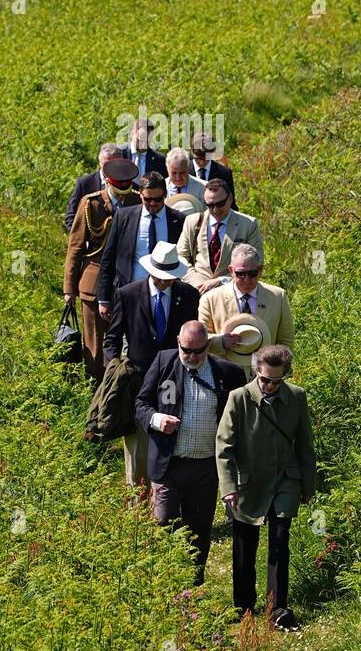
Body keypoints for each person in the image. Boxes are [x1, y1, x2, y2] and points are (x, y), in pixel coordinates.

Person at [136, 321, 246, 583]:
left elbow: (240, 421)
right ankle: (163, 582)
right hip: (169, 463)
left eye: (199, 351)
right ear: (178, 342)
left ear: (208, 345)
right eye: (187, 350)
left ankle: (193, 587)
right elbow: (141, 403)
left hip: (206, 467)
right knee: (163, 523)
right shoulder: (164, 363)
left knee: (198, 530)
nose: (192, 356)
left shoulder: (228, 373)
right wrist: (156, 420)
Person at [216, 344, 316, 631]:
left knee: (280, 542)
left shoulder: (297, 397)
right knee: (245, 546)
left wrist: (307, 486)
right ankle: (244, 605)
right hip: (248, 482)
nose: (270, 386)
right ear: (255, 372)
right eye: (264, 380)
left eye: (276, 381)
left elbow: (305, 444)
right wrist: (228, 487)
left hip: (285, 479)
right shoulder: (238, 398)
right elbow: (224, 446)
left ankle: (277, 607)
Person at [103, 243, 200, 488]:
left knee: (173, 435)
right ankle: (138, 501)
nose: (164, 282)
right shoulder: (128, 294)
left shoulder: (188, 296)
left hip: (174, 377)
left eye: (169, 278)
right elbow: (112, 338)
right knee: (137, 444)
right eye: (161, 277)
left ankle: (168, 500)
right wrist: (113, 372)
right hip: (137, 378)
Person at [63, 157, 140, 382]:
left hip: (127, 280)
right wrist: (69, 288)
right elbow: (75, 247)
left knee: (125, 339)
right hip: (94, 280)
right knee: (94, 344)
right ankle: (95, 389)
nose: (124, 189)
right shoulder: (91, 204)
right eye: (119, 185)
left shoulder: (136, 201)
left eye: (128, 184)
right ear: (107, 181)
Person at [97, 172, 186, 316]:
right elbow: (109, 257)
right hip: (130, 292)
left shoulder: (179, 220)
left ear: (165, 194)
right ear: (140, 194)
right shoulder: (124, 216)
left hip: (167, 294)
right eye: (148, 199)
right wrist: (103, 299)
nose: (152, 204)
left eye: (157, 199)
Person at [199, 244, 294, 367]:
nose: (247, 279)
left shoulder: (277, 297)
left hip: (264, 375)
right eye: (241, 274)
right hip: (224, 371)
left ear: (260, 270)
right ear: (231, 270)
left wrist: (274, 370)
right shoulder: (210, 299)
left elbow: (285, 340)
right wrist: (221, 341)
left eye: (252, 273)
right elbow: (201, 340)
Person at [177, 178, 262, 292]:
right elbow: (180, 257)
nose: (215, 209)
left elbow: (257, 262)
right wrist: (197, 282)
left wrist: (223, 281)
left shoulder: (248, 224)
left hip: (232, 291)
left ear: (230, 199)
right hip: (198, 290)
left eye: (220, 204)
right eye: (210, 205)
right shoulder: (192, 221)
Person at [64, 143, 123, 232]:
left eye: (114, 164)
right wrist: (79, 238)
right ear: (99, 162)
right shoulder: (84, 183)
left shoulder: (128, 185)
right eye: (106, 163)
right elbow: (71, 215)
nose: (110, 168)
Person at [189, 131, 235, 204]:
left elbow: (231, 204)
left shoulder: (224, 173)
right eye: (198, 158)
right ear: (191, 152)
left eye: (206, 158)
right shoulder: (183, 172)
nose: (202, 162)